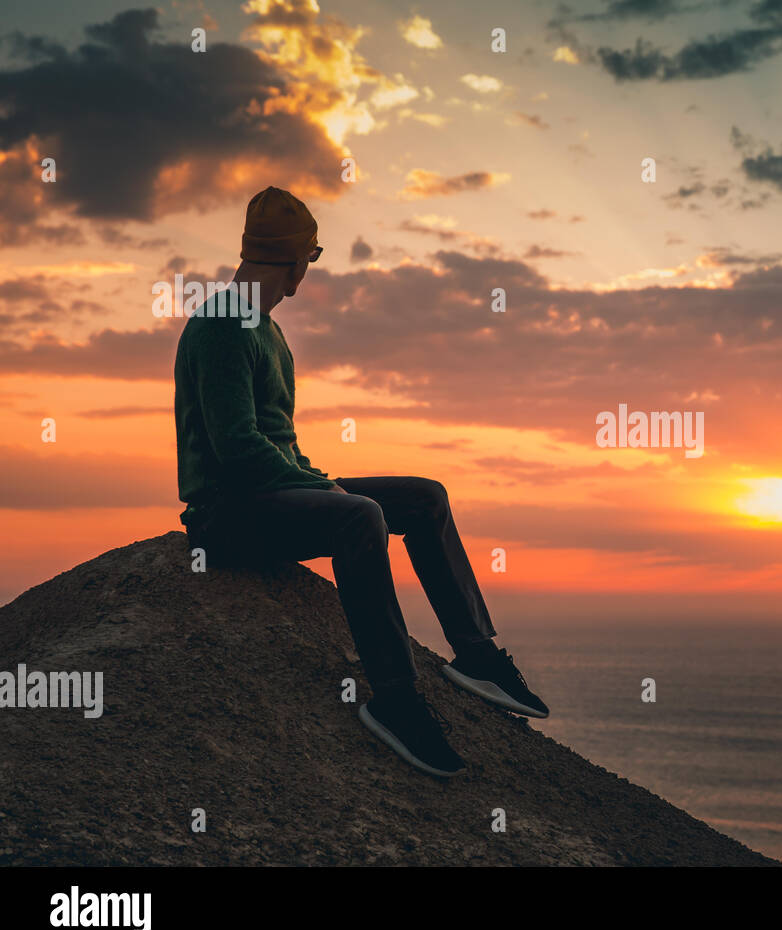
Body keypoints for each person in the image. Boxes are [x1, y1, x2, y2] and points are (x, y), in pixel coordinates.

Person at [173, 186, 547, 779]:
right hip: (227, 516)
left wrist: (319, 483)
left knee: (425, 498)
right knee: (360, 514)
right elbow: (238, 450)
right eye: (308, 261)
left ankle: (476, 654)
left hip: (274, 494)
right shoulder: (224, 323)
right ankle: (396, 700)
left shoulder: (264, 329)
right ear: (297, 265)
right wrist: (326, 491)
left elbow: (276, 445)